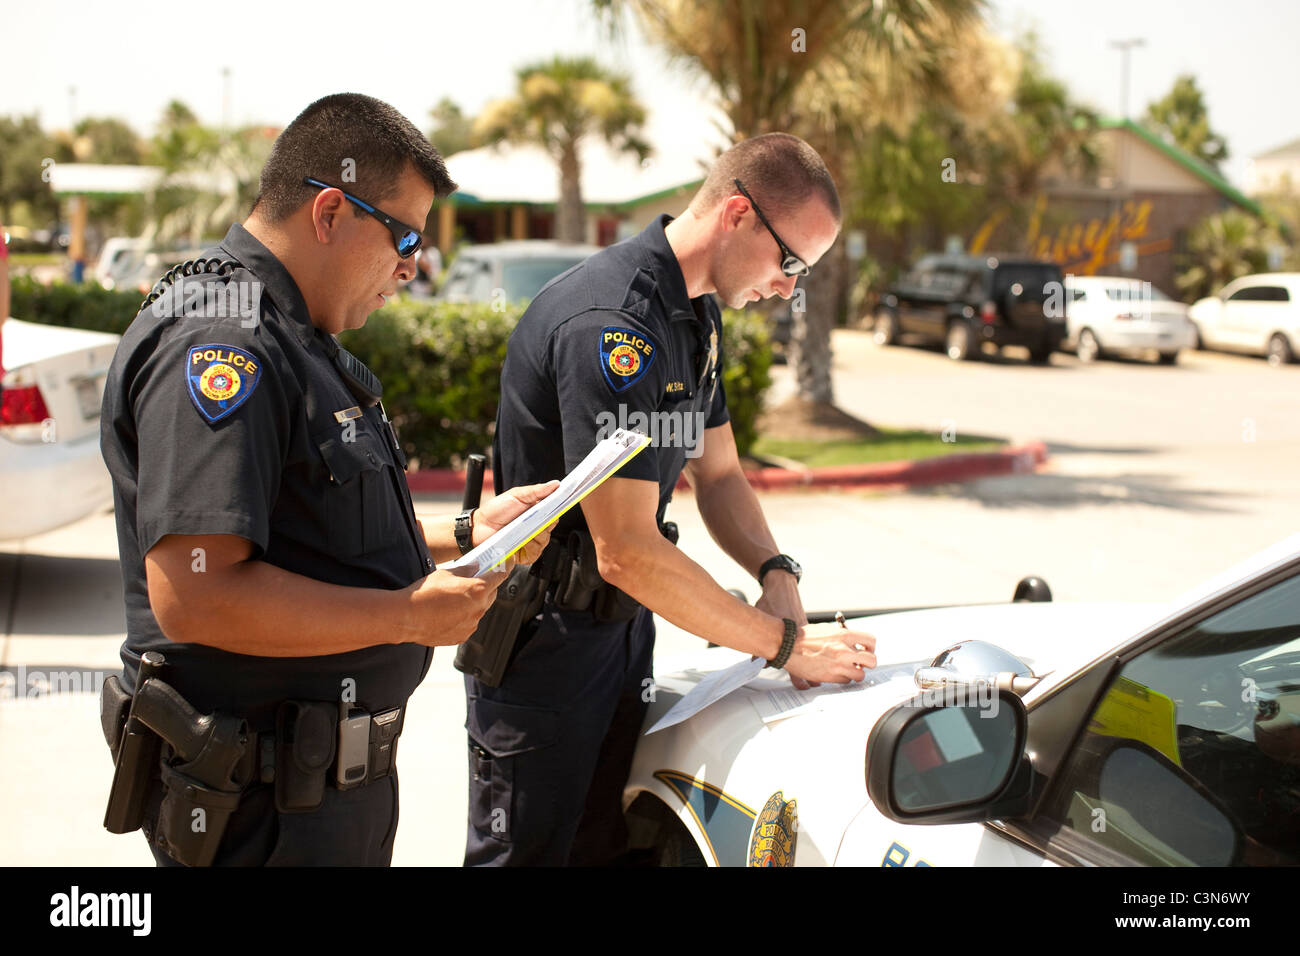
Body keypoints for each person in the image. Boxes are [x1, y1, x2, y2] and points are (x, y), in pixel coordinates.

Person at [99, 93, 555, 867]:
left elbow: (317, 538)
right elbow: (196, 592)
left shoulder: (292, 332)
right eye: (404, 234)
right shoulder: (222, 339)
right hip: (262, 810)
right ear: (331, 212)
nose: (413, 264)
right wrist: (408, 616)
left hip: (319, 796)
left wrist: (472, 535)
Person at [465, 133, 878, 866]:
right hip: (547, 654)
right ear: (739, 215)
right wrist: (788, 648)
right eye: (790, 262)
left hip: (623, 641)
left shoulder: (694, 316)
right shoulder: (613, 328)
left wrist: (776, 574)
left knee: (602, 849)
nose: (789, 288)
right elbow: (624, 551)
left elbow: (716, 474)